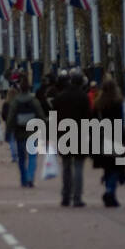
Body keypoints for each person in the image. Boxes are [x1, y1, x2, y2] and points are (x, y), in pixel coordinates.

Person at [53, 70, 91, 207]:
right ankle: (77, 197)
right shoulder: (84, 97)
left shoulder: (60, 97)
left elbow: (55, 119)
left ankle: (65, 196)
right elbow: (88, 118)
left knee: (66, 167)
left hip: (64, 135)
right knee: (79, 167)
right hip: (80, 135)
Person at [91, 79, 123, 207]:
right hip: (115, 136)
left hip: (101, 137)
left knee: (107, 166)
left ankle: (109, 191)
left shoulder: (98, 103)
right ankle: (110, 191)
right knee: (115, 167)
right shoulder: (118, 102)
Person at [6, 75, 42, 188]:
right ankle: (30, 177)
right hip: (32, 133)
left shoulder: (16, 102)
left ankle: (23, 179)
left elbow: (11, 118)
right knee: (32, 157)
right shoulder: (34, 101)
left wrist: (8, 131)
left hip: (20, 133)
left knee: (21, 158)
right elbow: (40, 115)